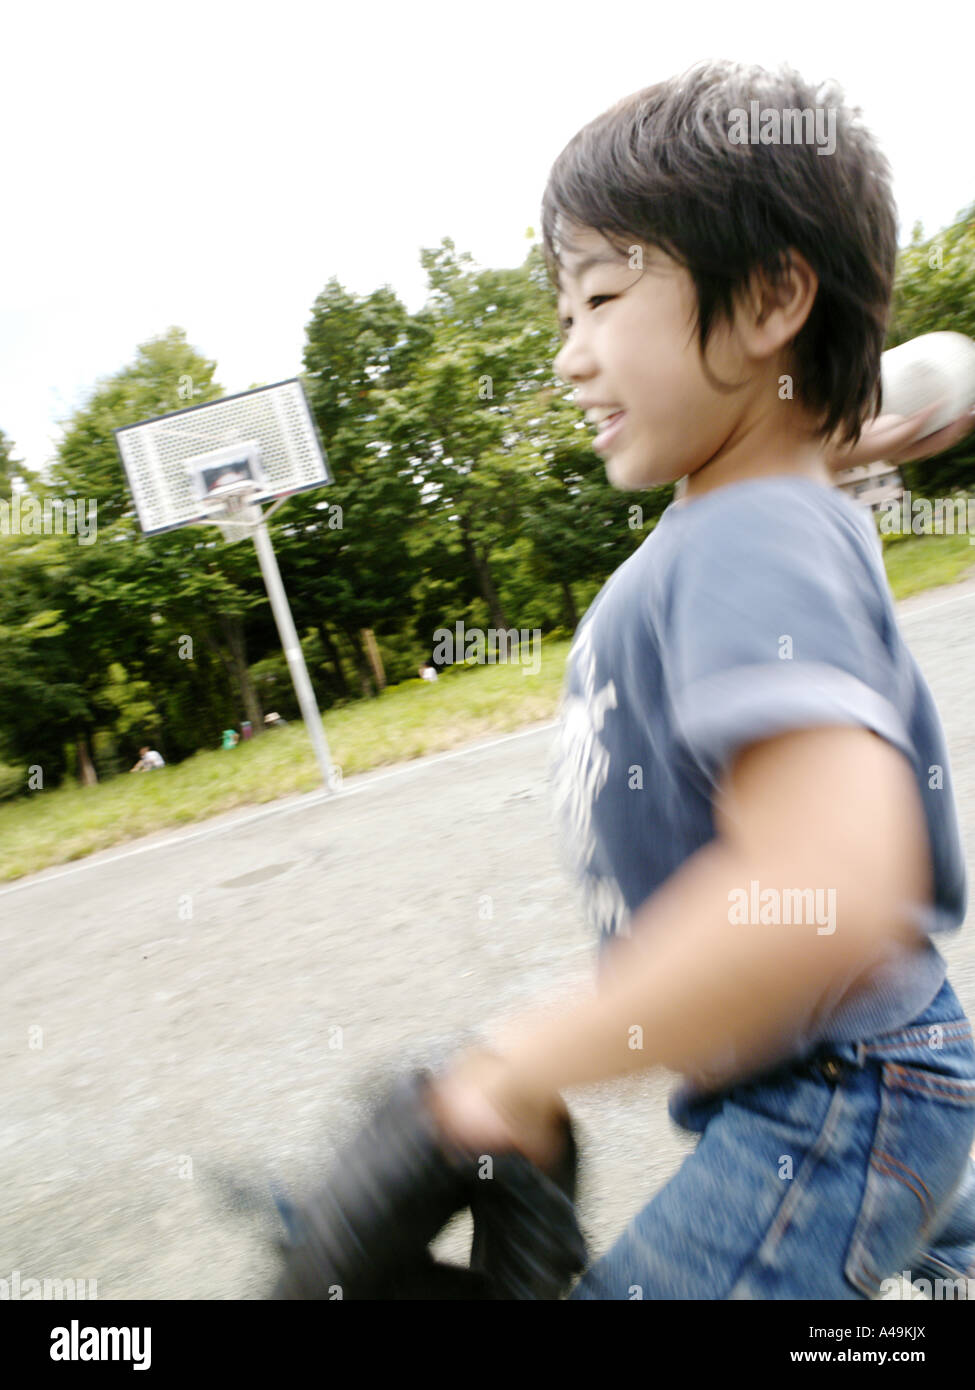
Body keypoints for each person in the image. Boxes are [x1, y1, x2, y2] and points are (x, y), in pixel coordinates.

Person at [425, 61, 975, 1300]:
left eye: (604, 296)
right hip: (848, 1074)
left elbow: (824, 884)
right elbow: (894, 389)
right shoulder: (757, 503)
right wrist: (839, 395)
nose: (570, 356)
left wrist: (515, 1059)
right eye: (562, 314)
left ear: (776, 290)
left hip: (836, 1088)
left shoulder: (751, 531)